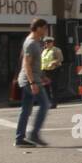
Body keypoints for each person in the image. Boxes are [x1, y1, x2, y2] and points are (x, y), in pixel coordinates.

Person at [15, 18, 50, 148]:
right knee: (45, 104)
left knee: (25, 110)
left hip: (31, 79)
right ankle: (33, 134)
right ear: (39, 28)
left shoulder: (35, 42)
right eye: (45, 28)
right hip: (30, 80)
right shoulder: (30, 43)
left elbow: (34, 64)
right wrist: (32, 82)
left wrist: (43, 76)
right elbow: (27, 64)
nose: (46, 31)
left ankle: (20, 138)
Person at [40, 35, 64, 108]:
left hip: (54, 70)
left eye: (49, 42)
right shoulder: (44, 51)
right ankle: (48, 102)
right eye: (46, 43)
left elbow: (60, 59)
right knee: (45, 87)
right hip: (45, 71)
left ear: (52, 43)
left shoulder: (56, 50)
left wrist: (54, 62)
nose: (47, 44)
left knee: (53, 87)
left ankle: (54, 103)